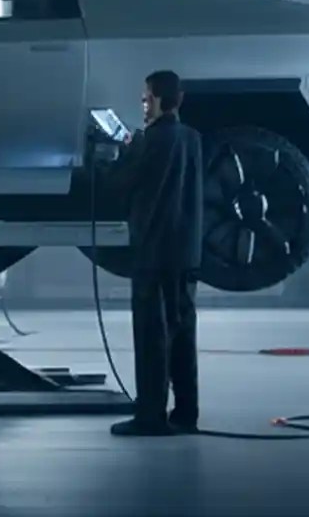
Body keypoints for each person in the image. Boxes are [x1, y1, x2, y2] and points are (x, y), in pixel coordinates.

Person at [104, 70, 204, 437]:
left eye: (146, 98)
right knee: (182, 336)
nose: (144, 105)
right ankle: (186, 413)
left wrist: (119, 154)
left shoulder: (148, 142)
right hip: (186, 254)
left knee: (151, 338)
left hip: (153, 253)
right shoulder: (193, 139)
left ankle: (150, 416)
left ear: (161, 99)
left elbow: (117, 184)